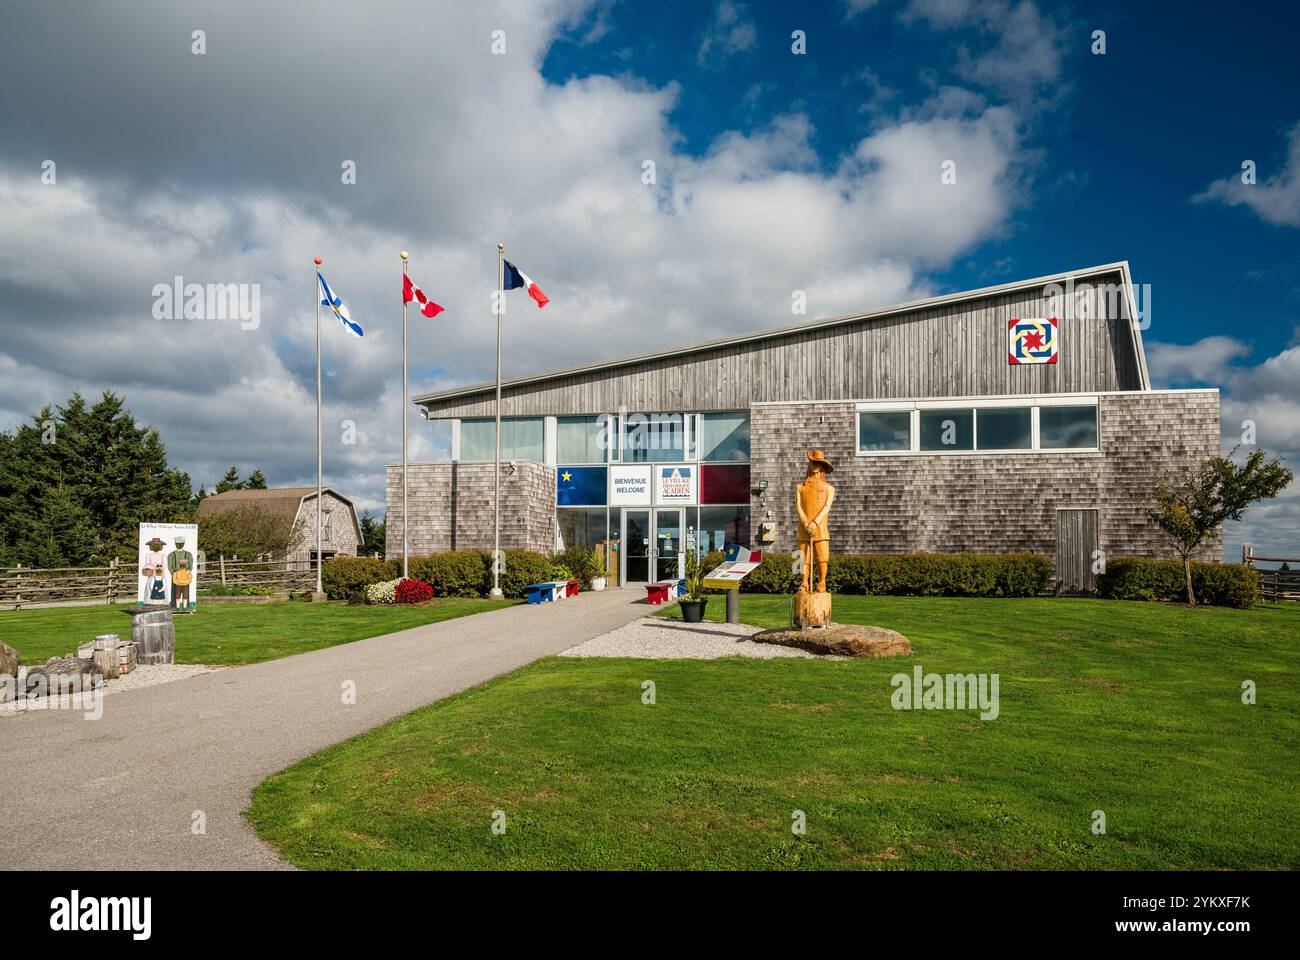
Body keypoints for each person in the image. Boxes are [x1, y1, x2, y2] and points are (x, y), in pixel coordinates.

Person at [796, 449, 835, 593]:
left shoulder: (829, 488)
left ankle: (822, 582)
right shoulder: (800, 487)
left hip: (821, 528)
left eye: (818, 463)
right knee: (802, 557)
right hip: (803, 527)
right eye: (812, 462)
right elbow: (798, 507)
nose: (814, 466)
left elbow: (826, 507)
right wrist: (806, 523)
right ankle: (804, 582)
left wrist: (815, 522)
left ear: (822, 467)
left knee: (822, 557)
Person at [166, 535, 195, 611]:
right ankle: (174, 606)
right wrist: (173, 574)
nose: (179, 545)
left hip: (185, 575)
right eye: (178, 544)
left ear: (183, 544)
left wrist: (188, 571)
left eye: (181, 544)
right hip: (176, 575)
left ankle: (186, 606)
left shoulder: (188, 554)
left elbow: (191, 564)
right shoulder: (171, 555)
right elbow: (169, 566)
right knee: (175, 592)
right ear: (175, 544)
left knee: (186, 592)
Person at [141, 536, 168, 603]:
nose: (156, 546)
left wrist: (159, 571)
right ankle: (150, 602)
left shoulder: (163, 555)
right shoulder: (149, 555)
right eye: (154, 545)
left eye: (157, 545)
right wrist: (155, 568)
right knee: (150, 587)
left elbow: (164, 566)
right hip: (152, 575)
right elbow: (147, 564)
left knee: (162, 588)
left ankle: (161, 602)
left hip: (160, 575)